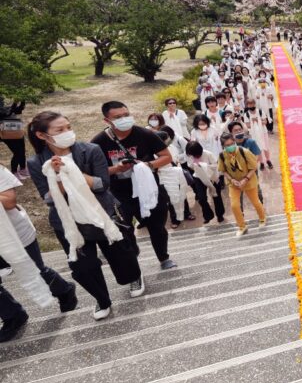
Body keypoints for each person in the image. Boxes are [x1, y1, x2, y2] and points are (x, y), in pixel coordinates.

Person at [27, 111, 145, 320]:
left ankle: (134, 277)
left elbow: (102, 184)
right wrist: (57, 177)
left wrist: (73, 173)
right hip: (69, 221)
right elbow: (49, 198)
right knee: (84, 267)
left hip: (101, 212)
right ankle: (101, 299)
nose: (67, 133)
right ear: (42, 135)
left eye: (68, 127)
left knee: (120, 253)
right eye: (59, 130)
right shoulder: (37, 163)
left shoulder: (90, 150)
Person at [92, 101, 177, 270]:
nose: (124, 119)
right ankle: (133, 252)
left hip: (148, 189)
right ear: (107, 121)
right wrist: (117, 168)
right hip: (119, 193)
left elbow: (166, 157)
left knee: (157, 227)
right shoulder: (99, 142)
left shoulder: (145, 134)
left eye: (126, 115)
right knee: (124, 229)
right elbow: (95, 172)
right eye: (118, 117)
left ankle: (163, 257)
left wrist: (148, 165)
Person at [1, 163, 78, 311]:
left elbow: (10, 201)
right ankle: (13, 315)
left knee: (36, 269)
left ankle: (64, 289)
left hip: (15, 233)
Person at [218, 133, 266, 237]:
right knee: (234, 205)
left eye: (232, 143)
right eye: (227, 145)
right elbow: (223, 170)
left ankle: (262, 218)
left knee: (255, 202)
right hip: (234, 183)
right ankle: (242, 226)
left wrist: (245, 179)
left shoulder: (244, 151)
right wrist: (232, 179)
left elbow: (253, 166)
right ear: (223, 146)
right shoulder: (222, 155)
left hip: (248, 180)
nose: (230, 146)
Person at [186, 140, 225, 224]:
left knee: (216, 196)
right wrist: (196, 167)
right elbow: (190, 166)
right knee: (201, 198)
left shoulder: (208, 154)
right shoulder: (190, 156)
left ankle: (220, 215)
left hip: (212, 177)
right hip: (199, 177)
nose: (194, 156)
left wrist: (204, 166)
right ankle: (208, 215)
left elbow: (215, 165)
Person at [0, 99, 29, 180]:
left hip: (16, 126)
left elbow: (17, 111)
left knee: (22, 150)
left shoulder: (3, 103)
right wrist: (15, 103)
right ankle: (14, 172)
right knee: (17, 152)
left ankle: (23, 169)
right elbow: (6, 113)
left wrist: (22, 101)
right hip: (6, 129)